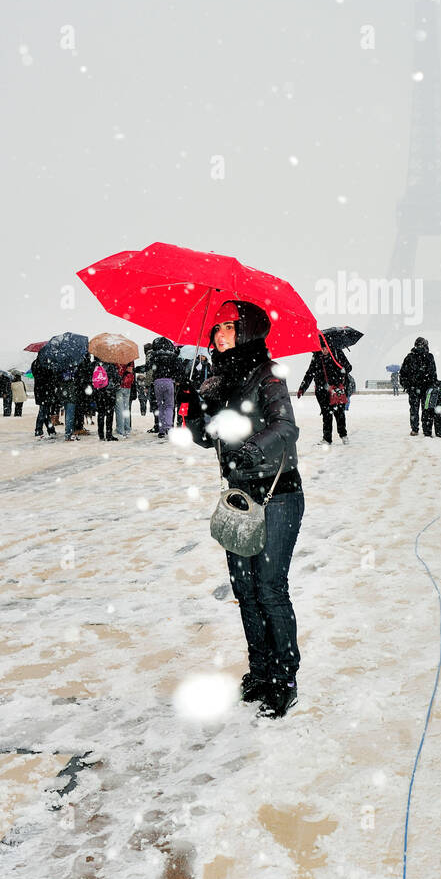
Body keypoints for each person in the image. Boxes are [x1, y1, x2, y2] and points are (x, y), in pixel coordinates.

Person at [183, 300, 304, 719]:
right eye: (215, 329)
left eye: (228, 328)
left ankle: (285, 678)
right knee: (245, 589)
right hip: (239, 497)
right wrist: (195, 405)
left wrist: (254, 448)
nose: (219, 336)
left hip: (278, 494)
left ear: (249, 330)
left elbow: (286, 426)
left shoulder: (268, 376)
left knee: (270, 587)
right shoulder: (218, 382)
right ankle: (261, 670)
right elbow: (205, 438)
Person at [297, 342, 351, 444]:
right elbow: (309, 373)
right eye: (322, 348)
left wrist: (341, 368)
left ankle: (343, 435)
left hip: (336, 389)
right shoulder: (316, 357)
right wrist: (302, 388)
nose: (324, 350)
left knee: (339, 413)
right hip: (322, 391)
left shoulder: (337, 353)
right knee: (326, 414)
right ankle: (327, 438)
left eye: (326, 347)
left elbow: (349, 367)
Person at [399, 337, 438, 436]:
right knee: (426, 410)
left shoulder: (409, 357)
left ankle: (415, 429)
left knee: (414, 409)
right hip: (426, 388)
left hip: (413, 388)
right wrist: (433, 384)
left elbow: (403, 373)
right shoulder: (429, 357)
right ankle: (426, 430)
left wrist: (407, 385)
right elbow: (433, 373)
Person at [149, 337, 179, 440]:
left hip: (157, 382)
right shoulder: (173, 356)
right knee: (170, 406)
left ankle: (161, 430)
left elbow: (149, 367)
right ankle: (169, 427)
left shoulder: (154, 355)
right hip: (169, 381)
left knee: (160, 406)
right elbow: (178, 369)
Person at [31, 354, 58, 437]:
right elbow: (50, 377)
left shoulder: (35, 363)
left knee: (45, 410)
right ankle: (38, 429)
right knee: (43, 411)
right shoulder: (45, 365)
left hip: (39, 390)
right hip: (46, 390)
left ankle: (50, 429)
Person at [93, 358, 120, 441]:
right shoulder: (111, 365)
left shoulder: (96, 365)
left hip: (99, 392)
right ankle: (109, 434)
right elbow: (117, 378)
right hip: (109, 392)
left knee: (101, 413)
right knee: (109, 413)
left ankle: (101, 434)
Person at [117, 359, 135, 436]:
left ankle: (120, 429)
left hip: (120, 385)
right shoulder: (130, 358)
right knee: (126, 408)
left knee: (119, 409)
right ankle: (127, 428)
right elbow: (131, 370)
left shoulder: (116, 358)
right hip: (128, 384)